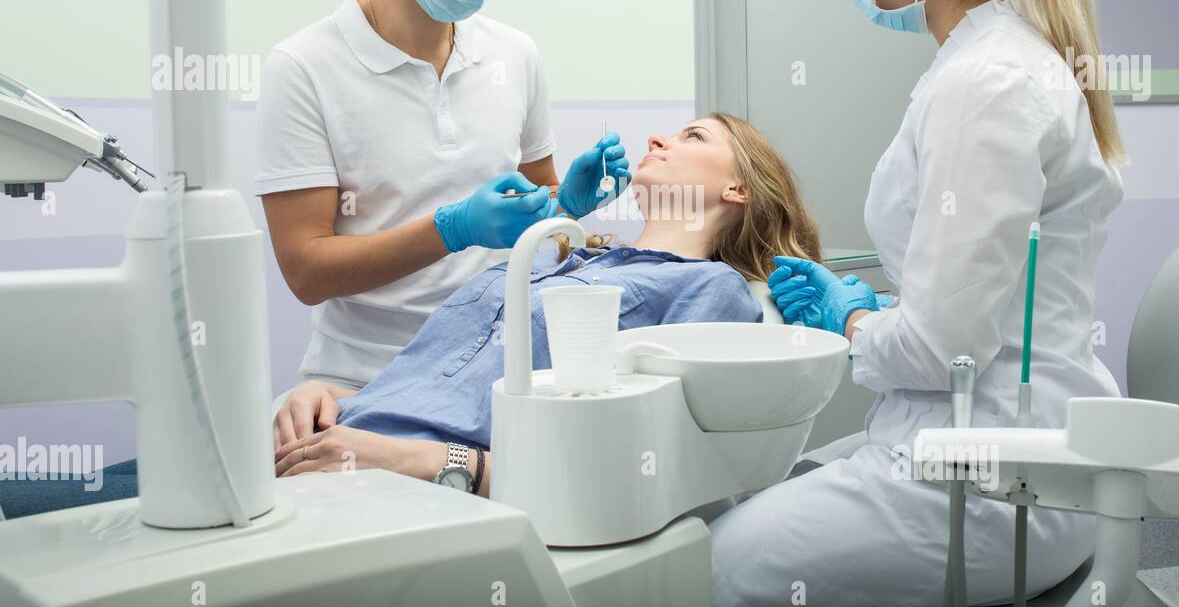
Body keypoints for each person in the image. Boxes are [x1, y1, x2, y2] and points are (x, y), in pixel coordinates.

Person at [708, 0, 1127, 607]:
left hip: (1004, 475)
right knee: (745, 504)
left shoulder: (989, 86)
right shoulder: (980, 65)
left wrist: (850, 315)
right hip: (978, 440)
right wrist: (863, 307)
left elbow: (944, 350)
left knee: (705, 576)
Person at [253, 0, 628, 393]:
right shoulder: (304, 67)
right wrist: (451, 230)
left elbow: (539, 220)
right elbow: (306, 271)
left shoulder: (516, 54)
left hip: (500, 371)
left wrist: (567, 208)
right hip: (362, 380)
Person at [270, 114, 822, 498]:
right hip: (333, 441)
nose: (658, 138)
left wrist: (416, 461)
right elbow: (459, 375)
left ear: (738, 190)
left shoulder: (711, 291)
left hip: (413, 483)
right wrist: (335, 395)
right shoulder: (553, 256)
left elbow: (628, 467)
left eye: (694, 136)